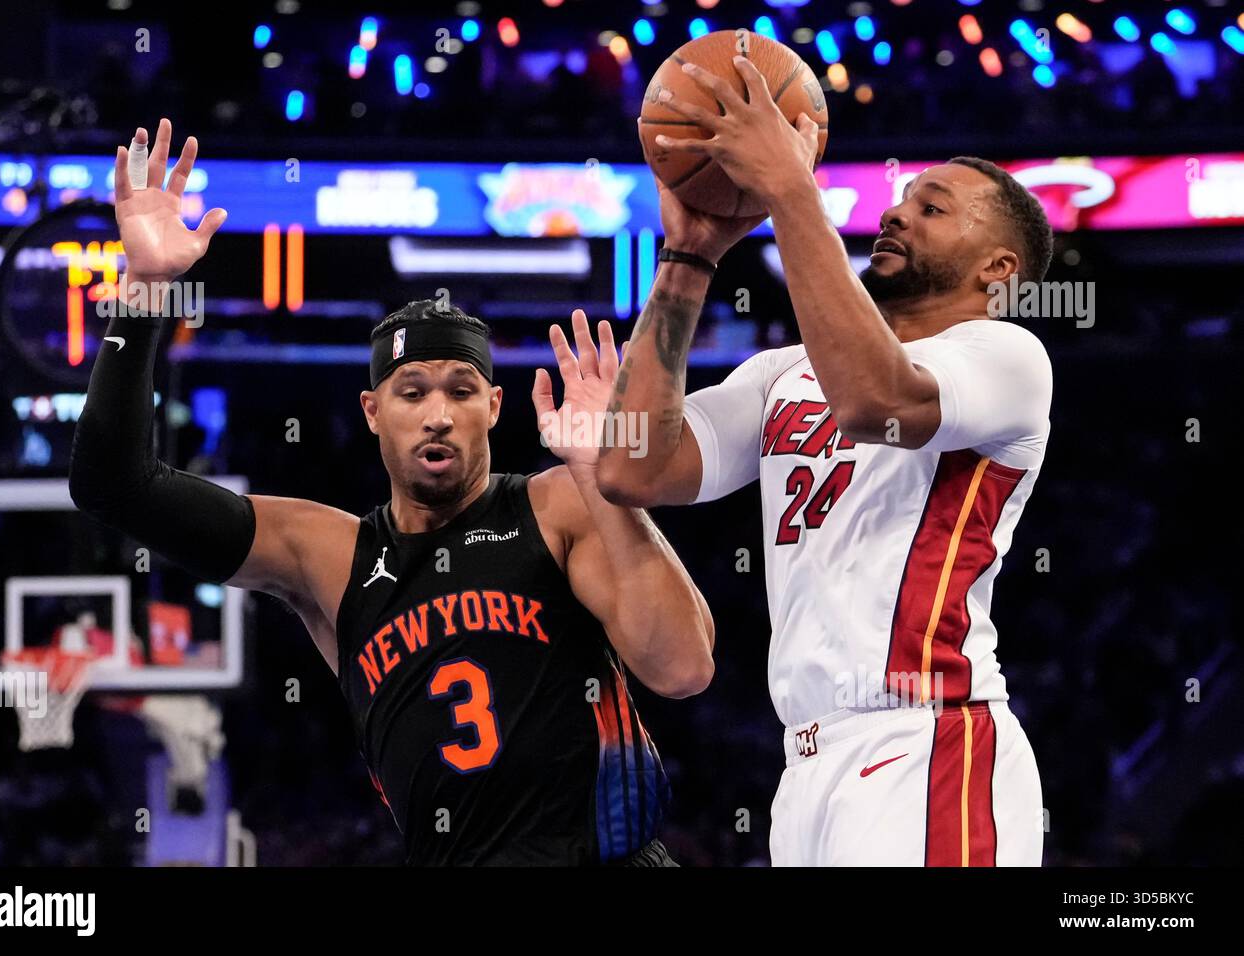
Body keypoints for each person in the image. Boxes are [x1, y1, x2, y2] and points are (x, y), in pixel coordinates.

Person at [69, 119, 715, 865]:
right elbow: (114, 486)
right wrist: (146, 290)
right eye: (411, 391)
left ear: (495, 409)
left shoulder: (556, 507)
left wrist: (607, 486)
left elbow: (683, 668)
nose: (438, 412)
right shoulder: (328, 554)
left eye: (461, 389)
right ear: (374, 412)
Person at [599, 58, 1053, 866]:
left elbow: (878, 402)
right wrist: (689, 256)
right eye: (902, 198)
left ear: (999, 269)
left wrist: (789, 193)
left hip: (930, 740)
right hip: (806, 767)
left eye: (932, 207)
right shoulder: (784, 372)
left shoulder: (1007, 356)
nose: (896, 213)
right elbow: (634, 469)